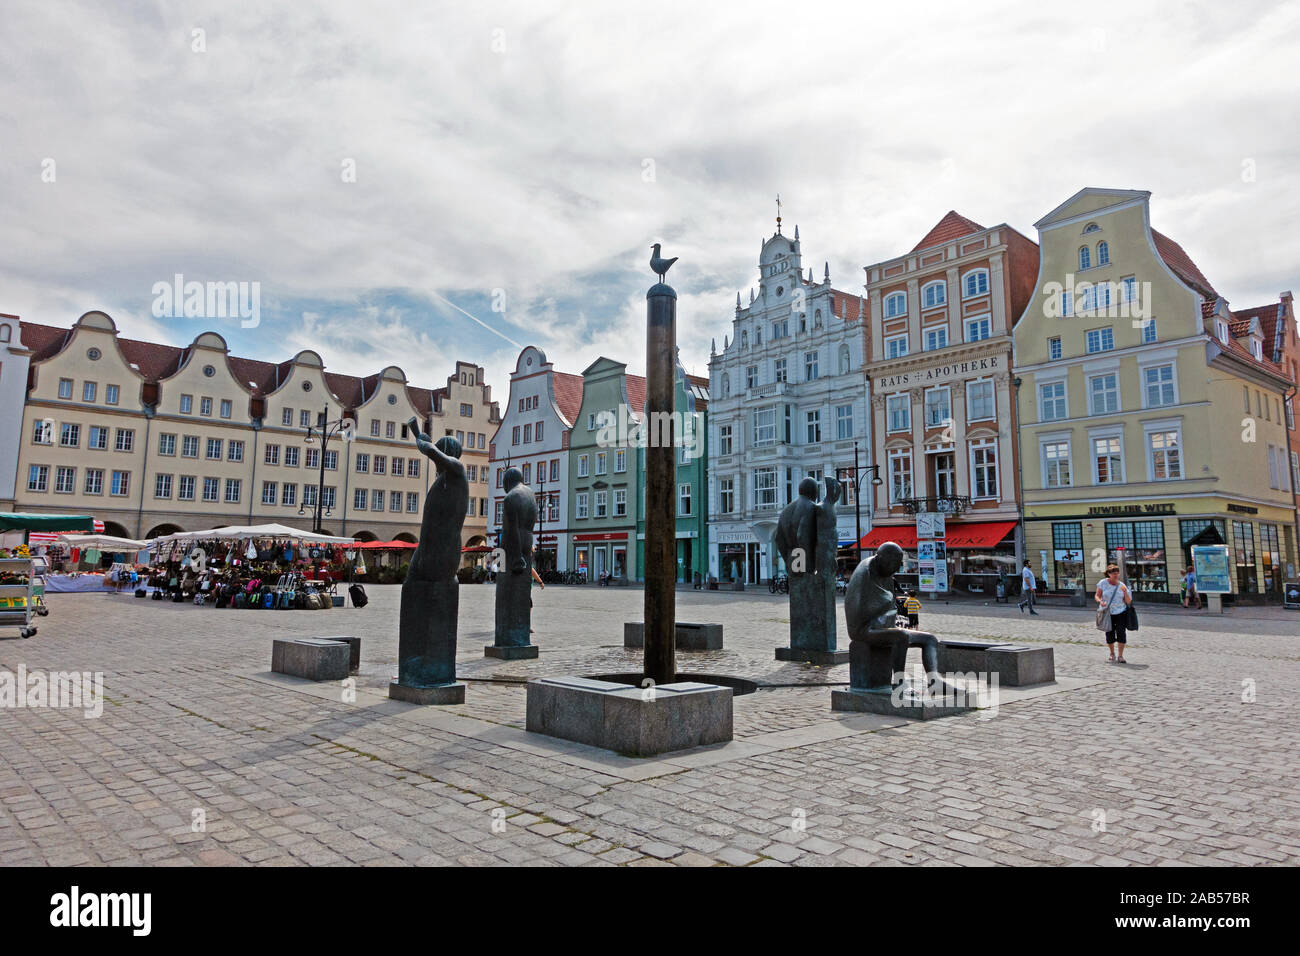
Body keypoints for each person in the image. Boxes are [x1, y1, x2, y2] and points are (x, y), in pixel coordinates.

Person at [1095, 563, 1133, 663]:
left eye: (1117, 573)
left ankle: (1121, 656)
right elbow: (1097, 596)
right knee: (1110, 634)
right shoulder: (1102, 583)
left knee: (1121, 633)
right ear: (1109, 574)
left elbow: (1128, 602)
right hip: (1108, 613)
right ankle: (1112, 653)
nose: (1116, 575)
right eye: (1113, 573)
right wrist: (1100, 601)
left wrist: (1125, 592)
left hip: (1120, 612)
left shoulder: (1122, 585)